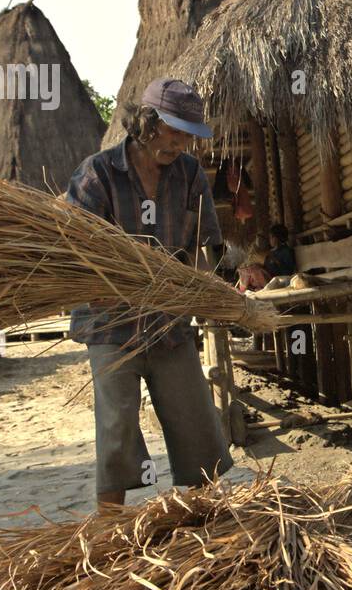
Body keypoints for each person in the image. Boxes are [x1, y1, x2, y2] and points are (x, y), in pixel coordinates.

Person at [64, 77, 233, 509]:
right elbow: (74, 248)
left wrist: (208, 290)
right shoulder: (97, 174)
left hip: (168, 321)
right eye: (172, 131)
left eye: (186, 135)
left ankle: (204, 514)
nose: (179, 143)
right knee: (117, 425)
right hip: (109, 323)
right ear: (147, 122)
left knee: (194, 418)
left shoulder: (190, 175)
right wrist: (107, 282)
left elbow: (201, 247)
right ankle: (108, 526)